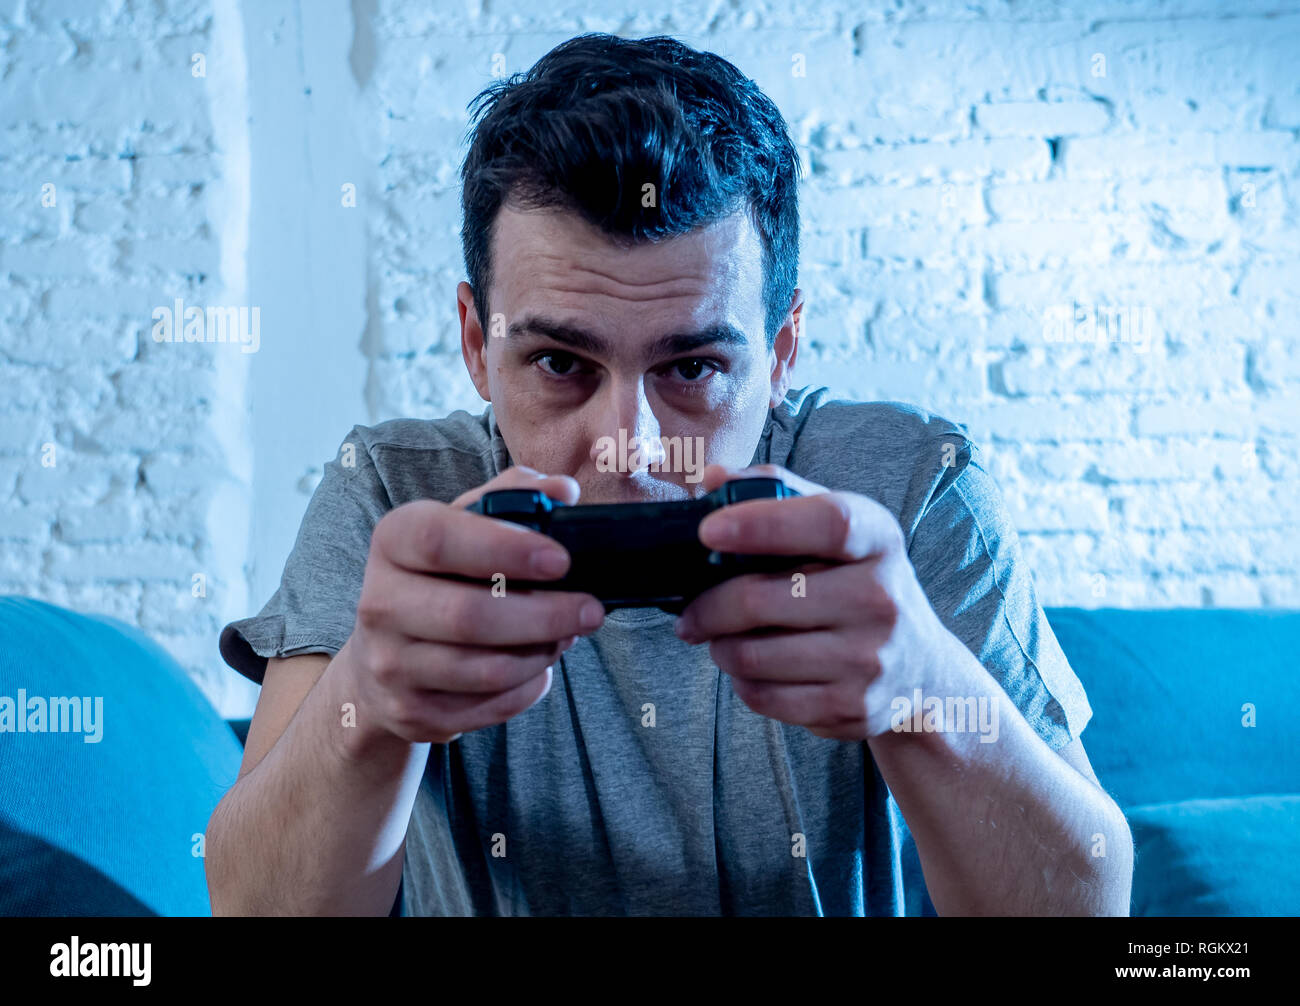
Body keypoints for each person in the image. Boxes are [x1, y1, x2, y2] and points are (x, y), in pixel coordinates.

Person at [205, 32, 1133, 916]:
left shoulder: (907, 488)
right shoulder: (395, 497)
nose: (629, 444)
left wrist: (922, 688)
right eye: (561, 364)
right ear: (477, 345)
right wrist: (368, 705)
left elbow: (1093, 904)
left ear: (781, 351)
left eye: (691, 369)